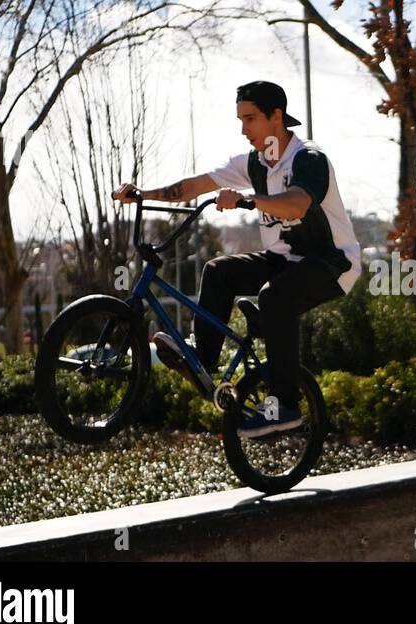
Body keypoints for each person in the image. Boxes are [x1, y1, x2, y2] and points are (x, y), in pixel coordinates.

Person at [112, 80, 361, 438]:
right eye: (240, 120)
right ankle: (202, 357)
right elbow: (196, 186)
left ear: (277, 117)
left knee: (276, 297)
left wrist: (248, 199)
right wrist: (142, 194)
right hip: (284, 258)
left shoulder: (308, 159)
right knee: (218, 271)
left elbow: (297, 203)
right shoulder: (255, 163)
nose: (244, 130)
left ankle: (286, 406)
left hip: (332, 263)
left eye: (251, 119)